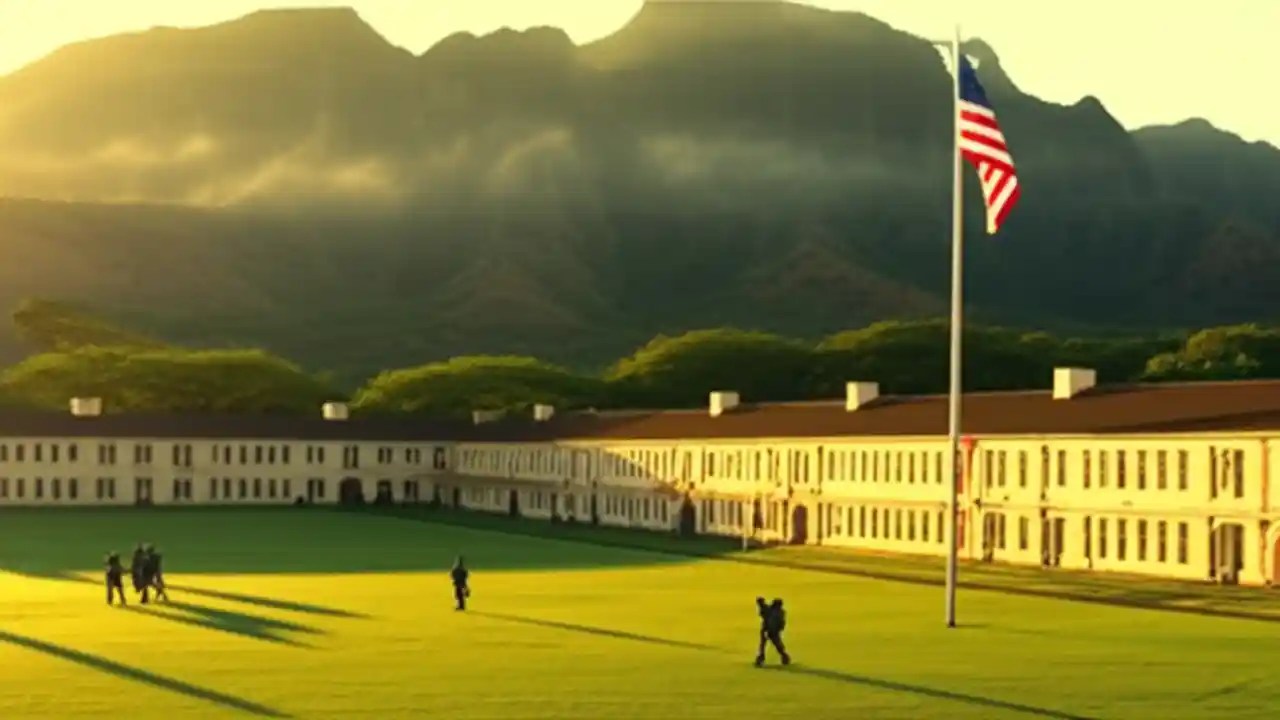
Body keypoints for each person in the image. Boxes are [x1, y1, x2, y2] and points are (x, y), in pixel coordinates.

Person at [755, 597, 791, 667]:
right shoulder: (777, 612)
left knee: (768, 645)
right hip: (769, 630)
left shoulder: (775, 611)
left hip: (771, 631)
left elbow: (763, 611)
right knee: (765, 646)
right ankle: (784, 658)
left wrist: (761, 603)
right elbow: (763, 611)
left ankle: (784, 657)